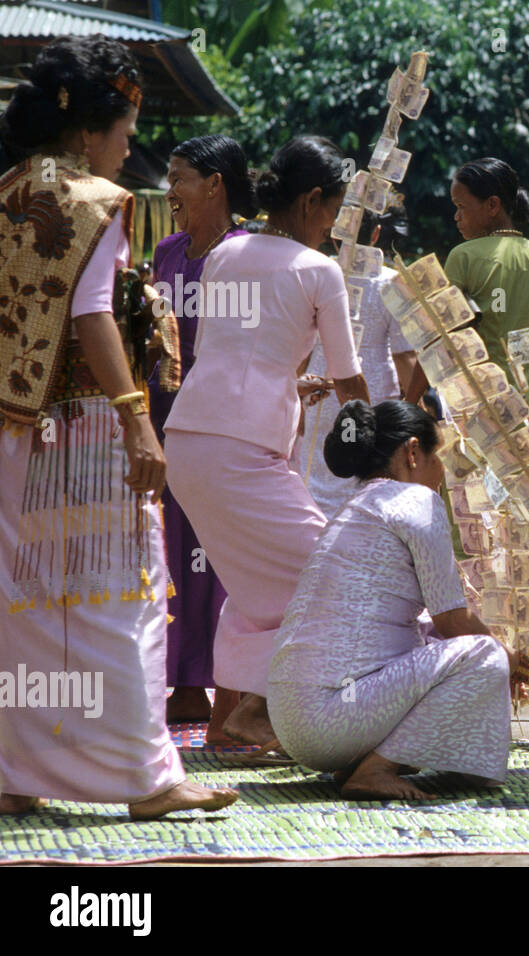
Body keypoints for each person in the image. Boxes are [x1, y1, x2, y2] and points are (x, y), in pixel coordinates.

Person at [0, 35, 236, 818]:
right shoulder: (94, 205)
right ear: (86, 131)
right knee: (119, 598)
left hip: (11, 432)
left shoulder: (6, 190)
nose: (130, 151)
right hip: (85, 432)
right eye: (126, 135)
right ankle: (148, 778)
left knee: (20, 605)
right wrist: (139, 423)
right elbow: (93, 313)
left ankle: (14, 773)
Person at [165, 135, 370, 752]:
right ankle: (255, 711)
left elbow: (217, 349)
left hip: (188, 441)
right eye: (334, 210)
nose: (334, 227)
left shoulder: (229, 253)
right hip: (239, 449)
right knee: (333, 572)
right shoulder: (320, 269)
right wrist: (383, 447)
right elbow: (349, 379)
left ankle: (229, 723)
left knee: (253, 588)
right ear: (313, 201)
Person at [268, 400, 529, 796]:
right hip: (331, 717)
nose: (441, 475)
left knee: (435, 637)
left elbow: (434, 627)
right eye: (438, 458)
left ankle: (363, 761)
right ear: (413, 452)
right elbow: (455, 621)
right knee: (483, 654)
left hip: (293, 720)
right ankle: (375, 770)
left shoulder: (355, 508)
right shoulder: (414, 501)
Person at [149, 134, 257, 726]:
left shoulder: (244, 254)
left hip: (221, 424)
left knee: (215, 553)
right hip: (165, 420)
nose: (171, 189)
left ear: (215, 184)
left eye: (180, 177)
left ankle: (216, 685)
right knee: (170, 548)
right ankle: (177, 682)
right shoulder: (167, 252)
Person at [404, 158, 529, 423]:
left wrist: (409, 404)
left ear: (492, 205)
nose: (456, 216)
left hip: (480, 414)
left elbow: (440, 338)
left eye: (461, 207)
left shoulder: (463, 257)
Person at [303, 199, 417, 520]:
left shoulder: (316, 272)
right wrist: (416, 407)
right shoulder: (392, 282)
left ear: (335, 233)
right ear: (378, 234)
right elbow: (405, 356)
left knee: (317, 470)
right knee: (365, 479)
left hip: (317, 391)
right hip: (372, 398)